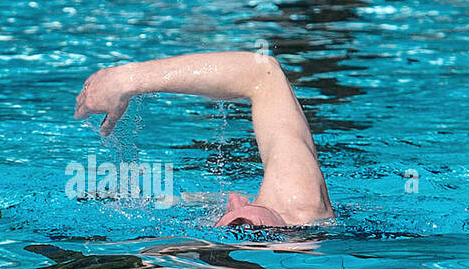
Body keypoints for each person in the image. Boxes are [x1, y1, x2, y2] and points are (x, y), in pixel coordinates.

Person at [75, 52, 333, 227]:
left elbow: (262, 74)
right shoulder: (300, 203)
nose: (235, 198)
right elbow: (262, 75)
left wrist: (125, 78)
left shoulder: (298, 205)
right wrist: (125, 80)